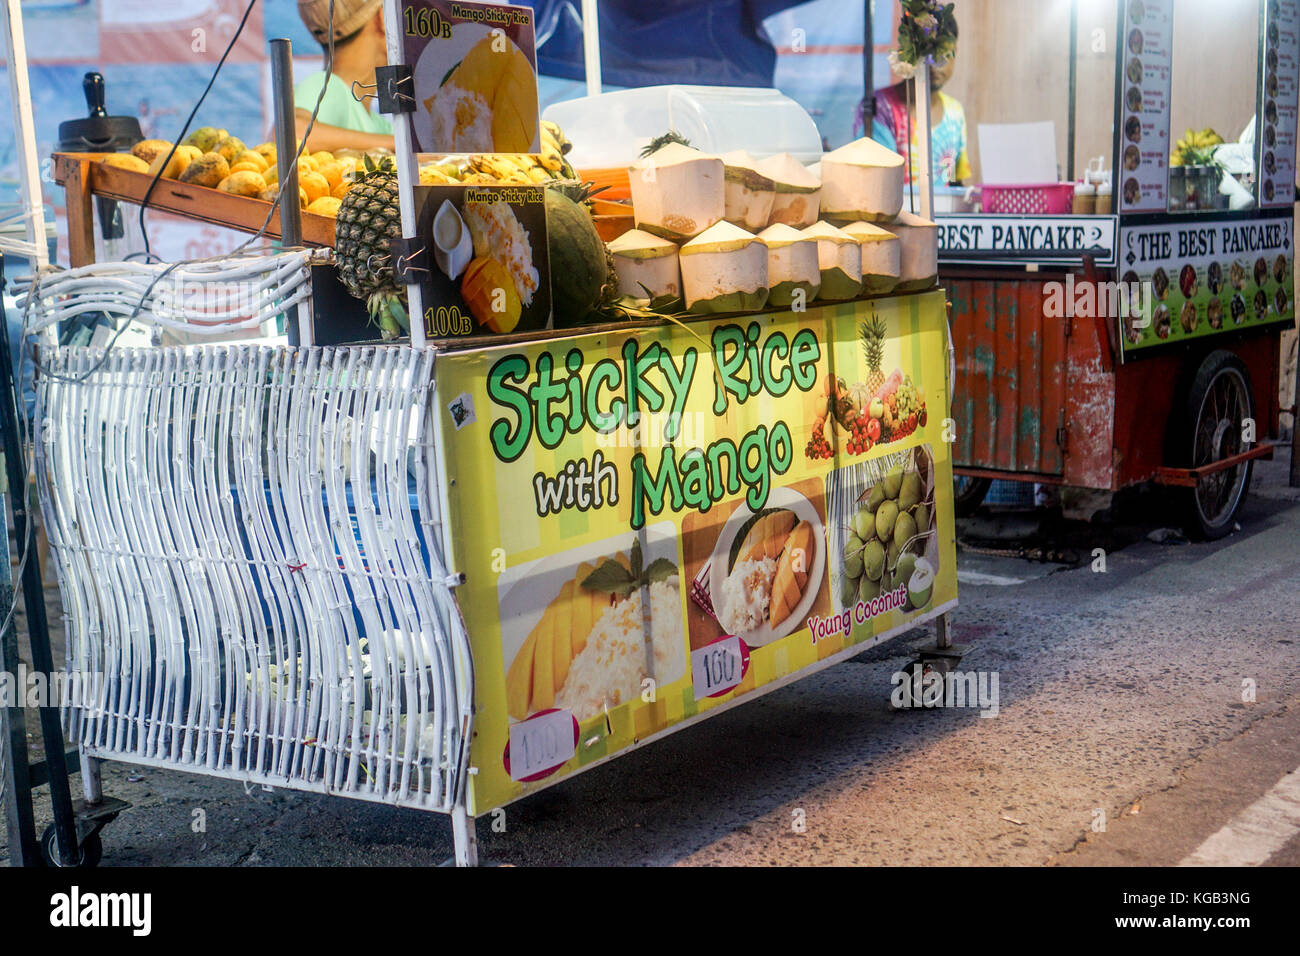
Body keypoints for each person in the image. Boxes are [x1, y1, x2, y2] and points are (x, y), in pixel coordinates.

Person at [855, 48, 970, 187]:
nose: (933, 64)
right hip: (896, 207)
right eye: (926, 54)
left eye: (943, 56)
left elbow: (952, 180)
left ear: (955, 54)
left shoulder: (955, 112)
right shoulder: (880, 107)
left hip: (942, 207)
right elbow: (878, 182)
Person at [294, 0, 395, 152]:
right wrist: (399, 146)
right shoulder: (328, 85)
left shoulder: (380, 126)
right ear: (383, 18)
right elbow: (294, 136)